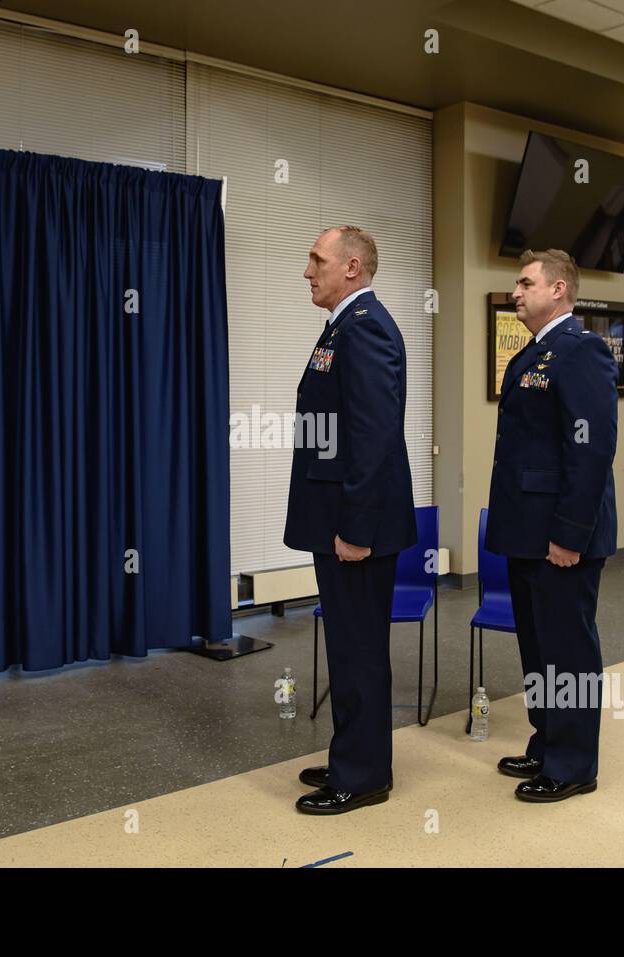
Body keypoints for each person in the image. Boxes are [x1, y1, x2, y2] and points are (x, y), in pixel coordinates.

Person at [284, 226, 416, 815]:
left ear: (353, 267)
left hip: (356, 527)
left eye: (317, 260)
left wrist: (357, 529)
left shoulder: (366, 330)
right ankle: (351, 755)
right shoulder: (343, 326)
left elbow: (373, 436)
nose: (308, 271)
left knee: (359, 648)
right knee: (346, 645)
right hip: (338, 519)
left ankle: (363, 776)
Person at [485, 249, 618, 803]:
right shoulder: (533, 354)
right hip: (526, 531)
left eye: (525, 282)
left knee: (568, 649)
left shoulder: (580, 350)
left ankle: (573, 764)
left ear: (559, 289)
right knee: (539, 648)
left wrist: (569, 534)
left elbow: (590, 452)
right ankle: (547, 740)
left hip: (560, 535)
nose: (515, 291)